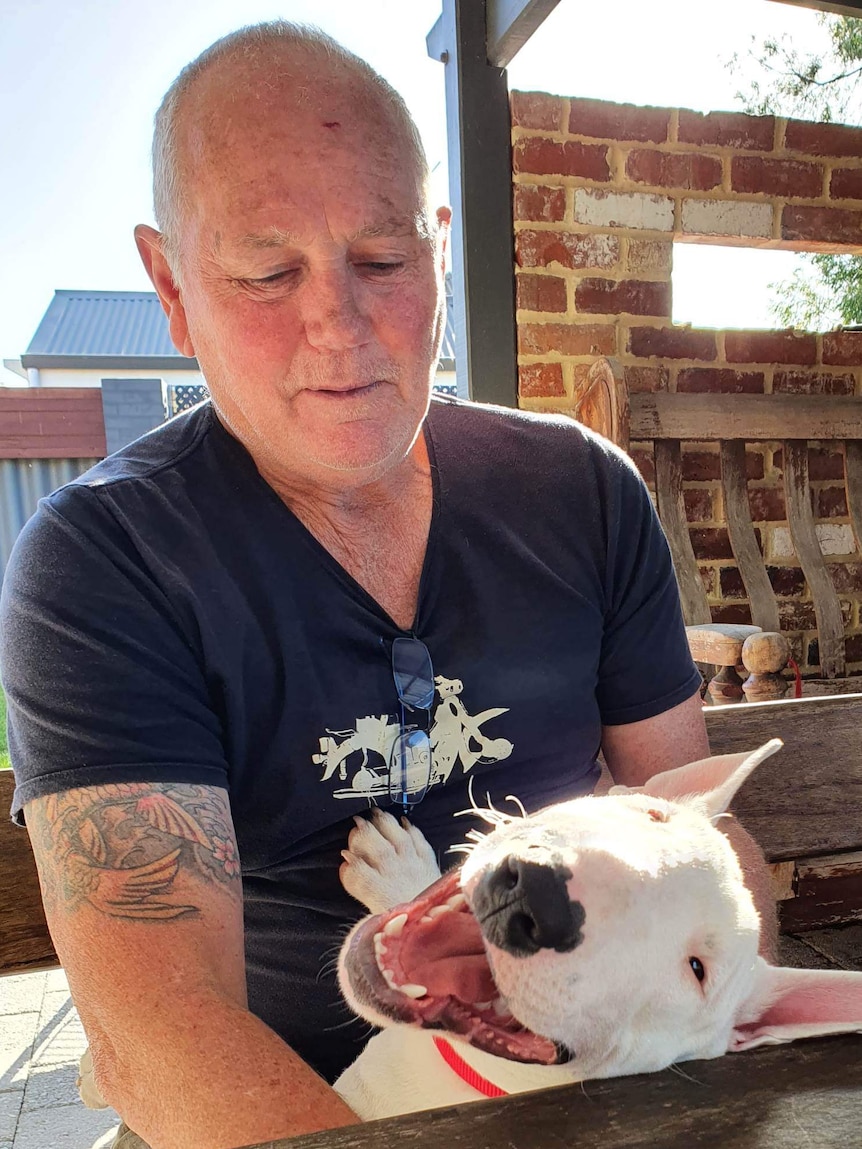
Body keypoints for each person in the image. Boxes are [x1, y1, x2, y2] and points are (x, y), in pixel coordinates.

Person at [0, 21, 712, 1149]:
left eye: (382, 258)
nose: (338, 321)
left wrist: (684, 1042)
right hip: (271, 1108)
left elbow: (700, 837)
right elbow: (161, 1030)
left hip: (590, 1065)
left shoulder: (580, 491)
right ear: (170, 285)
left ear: (438, 249)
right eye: (266, 271)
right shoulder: (106, 560)